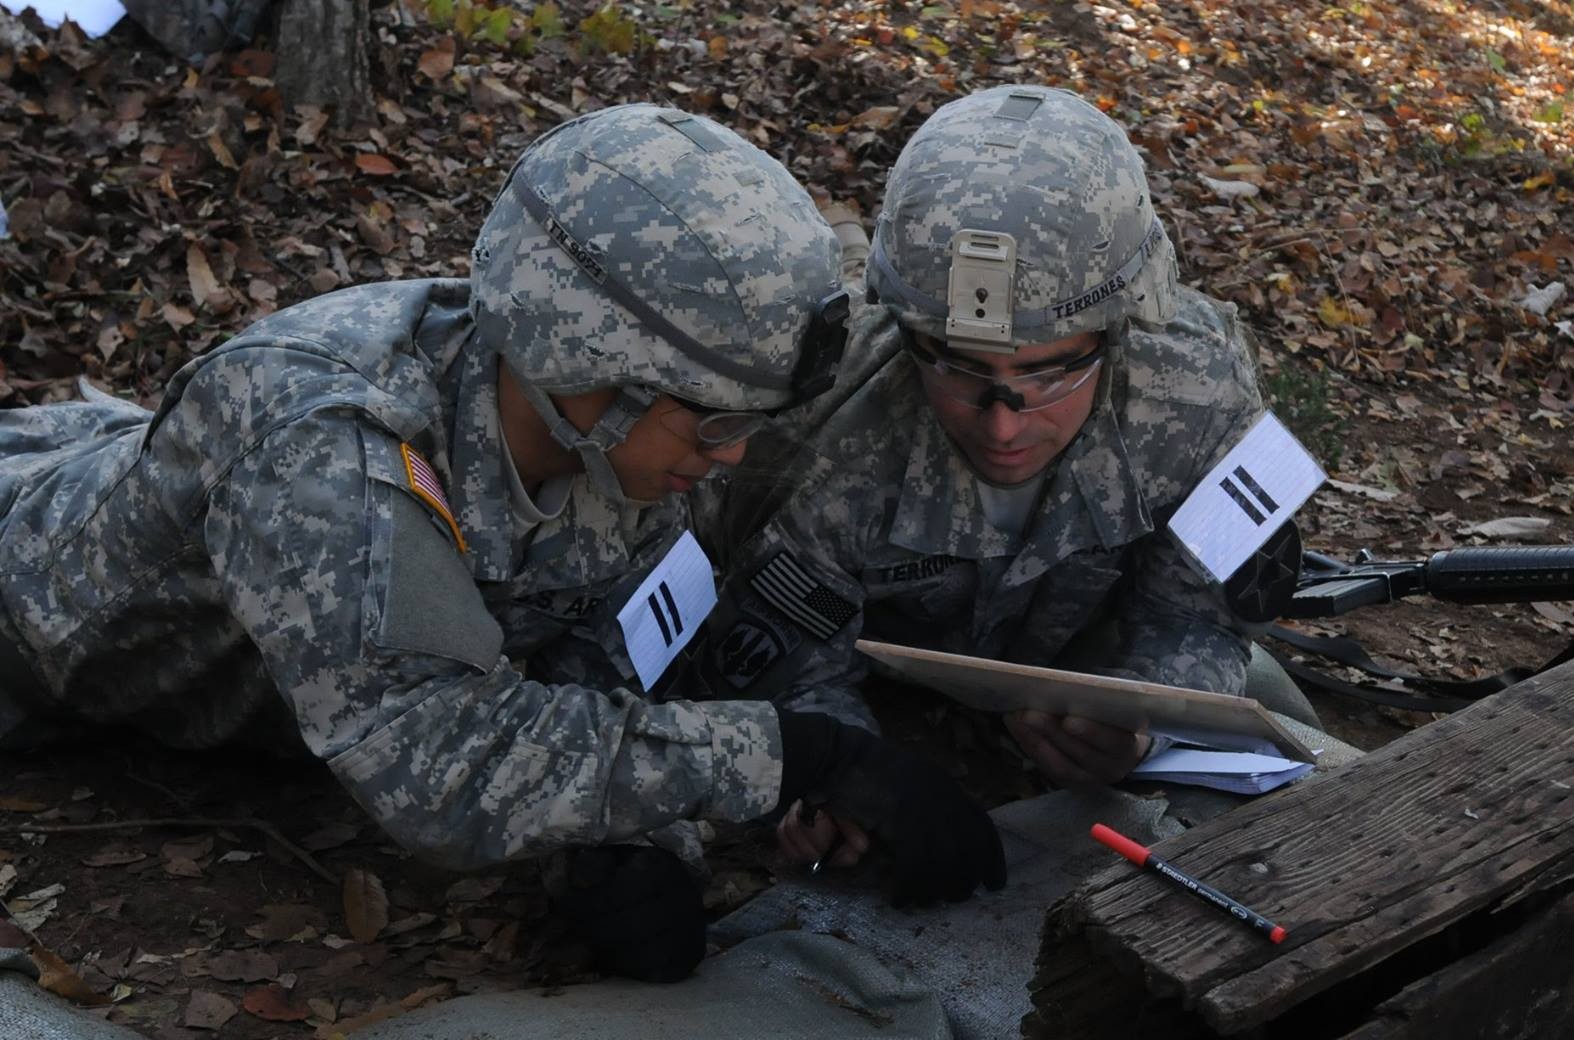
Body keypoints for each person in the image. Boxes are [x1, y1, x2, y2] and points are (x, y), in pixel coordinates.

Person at [0, 104, 1006, 977]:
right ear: (585, 371)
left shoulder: (618, 443)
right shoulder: (323, 438)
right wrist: (793, 756)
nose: (732, 458)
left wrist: (635, 846)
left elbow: (597, 662)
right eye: (711, 423)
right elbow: (432, 756)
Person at [677, 85, 1320, 872]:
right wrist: (839, 779)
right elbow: (790, 658)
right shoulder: (824, 426)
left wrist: (1138, 715)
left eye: (1050, 373)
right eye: (957, 367)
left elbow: (1199, 618)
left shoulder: (1212, 393)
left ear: (1118, 332)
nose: (1003, 423)